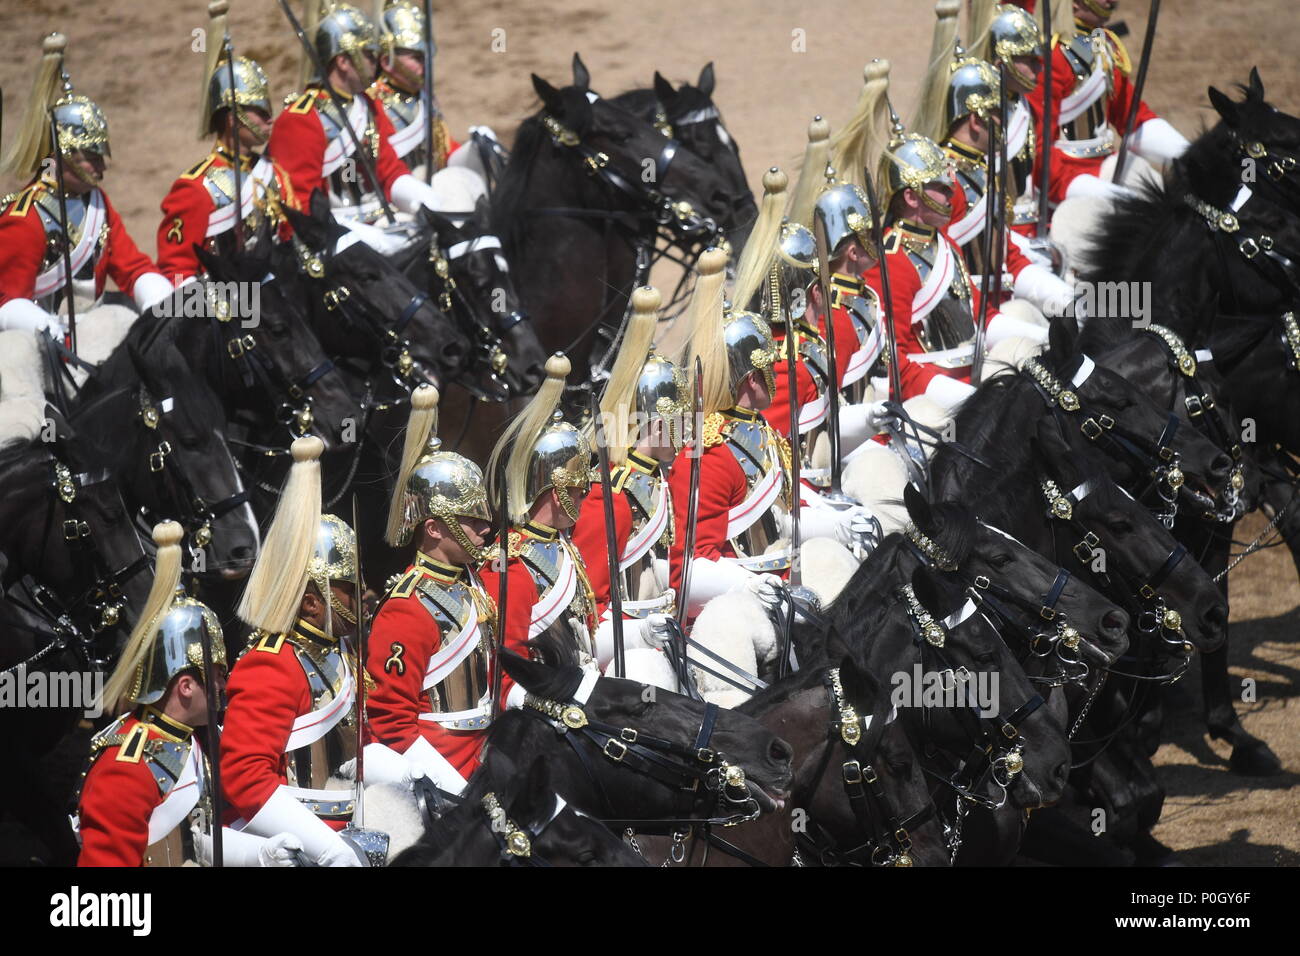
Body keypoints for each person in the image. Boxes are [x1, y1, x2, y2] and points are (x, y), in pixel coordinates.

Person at [76, 521, 299, 867]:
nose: (224, 686)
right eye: (216, 675)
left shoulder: (197, 740)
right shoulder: (126, 769)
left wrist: (260, 855)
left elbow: (196, 842)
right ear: (185, 686)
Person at [219, 436, 368, 867]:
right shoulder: (271, 665)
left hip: (352, 819)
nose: (362, 598)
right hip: (292, 840)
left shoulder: (340, 650)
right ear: (311, 602)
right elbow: (245, 780)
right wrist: (329, 848)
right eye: (348, 589)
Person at [364, 384, 499, 793]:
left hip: (489, 746)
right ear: (435, 528)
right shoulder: (406, 608)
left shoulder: (473, 581)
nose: (485, 528)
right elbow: (390, 721)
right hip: (442, 760)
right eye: (471, 520)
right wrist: (450, 788)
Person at [0, 34, 172, 335]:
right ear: (60, 155)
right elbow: (7, 301)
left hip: (95, 333)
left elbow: (131, 267)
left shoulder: (97, 202)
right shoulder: (25, 218)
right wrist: (43, 329)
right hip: (40, 349)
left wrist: (161, 302)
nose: (101, 167)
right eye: (90, 158)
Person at [569, 286, 686, 670]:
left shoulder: (655, 482)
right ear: (655, 422)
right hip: (627, 657)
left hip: (665, 637)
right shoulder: (613, 496)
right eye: (678, 423)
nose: (685, 435)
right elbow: (587, 611)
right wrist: (638, 636)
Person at [267, 2, 446, 230]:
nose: (375, 62)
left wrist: (426, 200)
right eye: (368, 55)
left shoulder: (367, 105)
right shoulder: (301, 118)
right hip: (335, 231)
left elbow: (389, 170)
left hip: (383, 220)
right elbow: (300, 202)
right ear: (343, 61)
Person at [155, 3, 299, 283]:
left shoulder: (274, 173)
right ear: (233, 118)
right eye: (260, 113)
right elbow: (176, 270)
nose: (269, 121)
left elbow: (290, 238)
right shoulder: (196, 188)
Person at [478, 353, 599, 667]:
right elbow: (512, 659)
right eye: (579, 491)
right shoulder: (510, 562)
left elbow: (585, 635)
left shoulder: (562, 545)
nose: (585, 498)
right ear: (558, 493)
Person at [1033, 0, 1188, 203]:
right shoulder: (1049, 58)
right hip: (1061, 187)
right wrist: (1111, 195)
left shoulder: (1101, 43)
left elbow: (1132, 118)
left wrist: (1192, 155)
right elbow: (1038, 153)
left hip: (1104, 166)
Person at [368, 0, 459, 177]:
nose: (425, 66)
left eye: (426, 57)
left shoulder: (425, 97)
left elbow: (443, 149)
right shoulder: (371, 102)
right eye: (416, 58)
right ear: (387, 62)